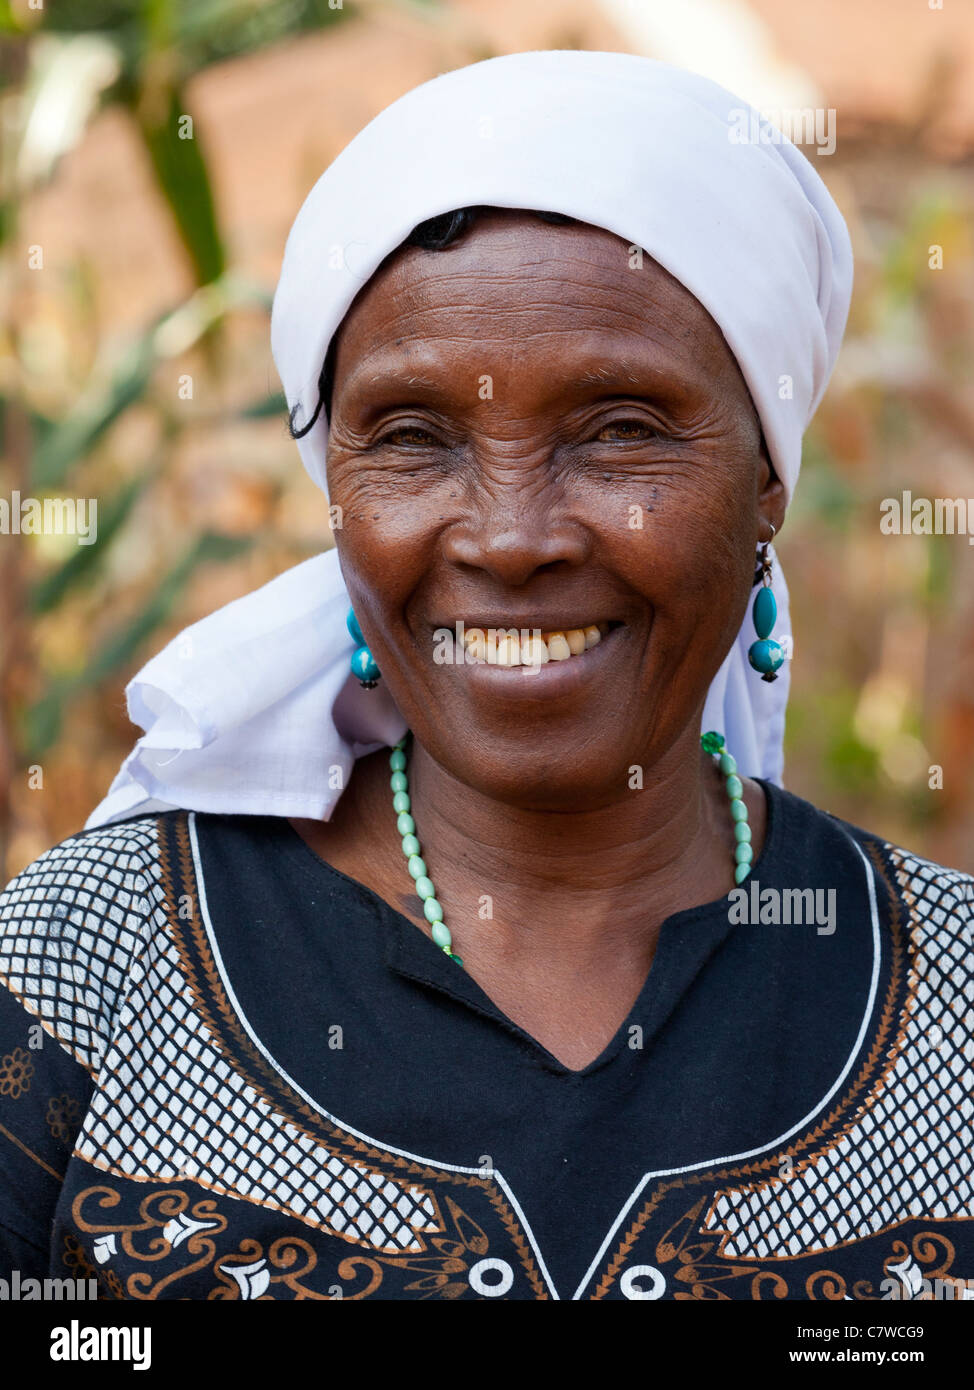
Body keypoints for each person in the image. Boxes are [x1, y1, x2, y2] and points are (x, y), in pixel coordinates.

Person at [0, 50, 971, 1303]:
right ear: (336, 491)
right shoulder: (82, 965)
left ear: (767, 477)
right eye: (413, 439)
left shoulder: (948, 999)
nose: (510, 538)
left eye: (620, 426)